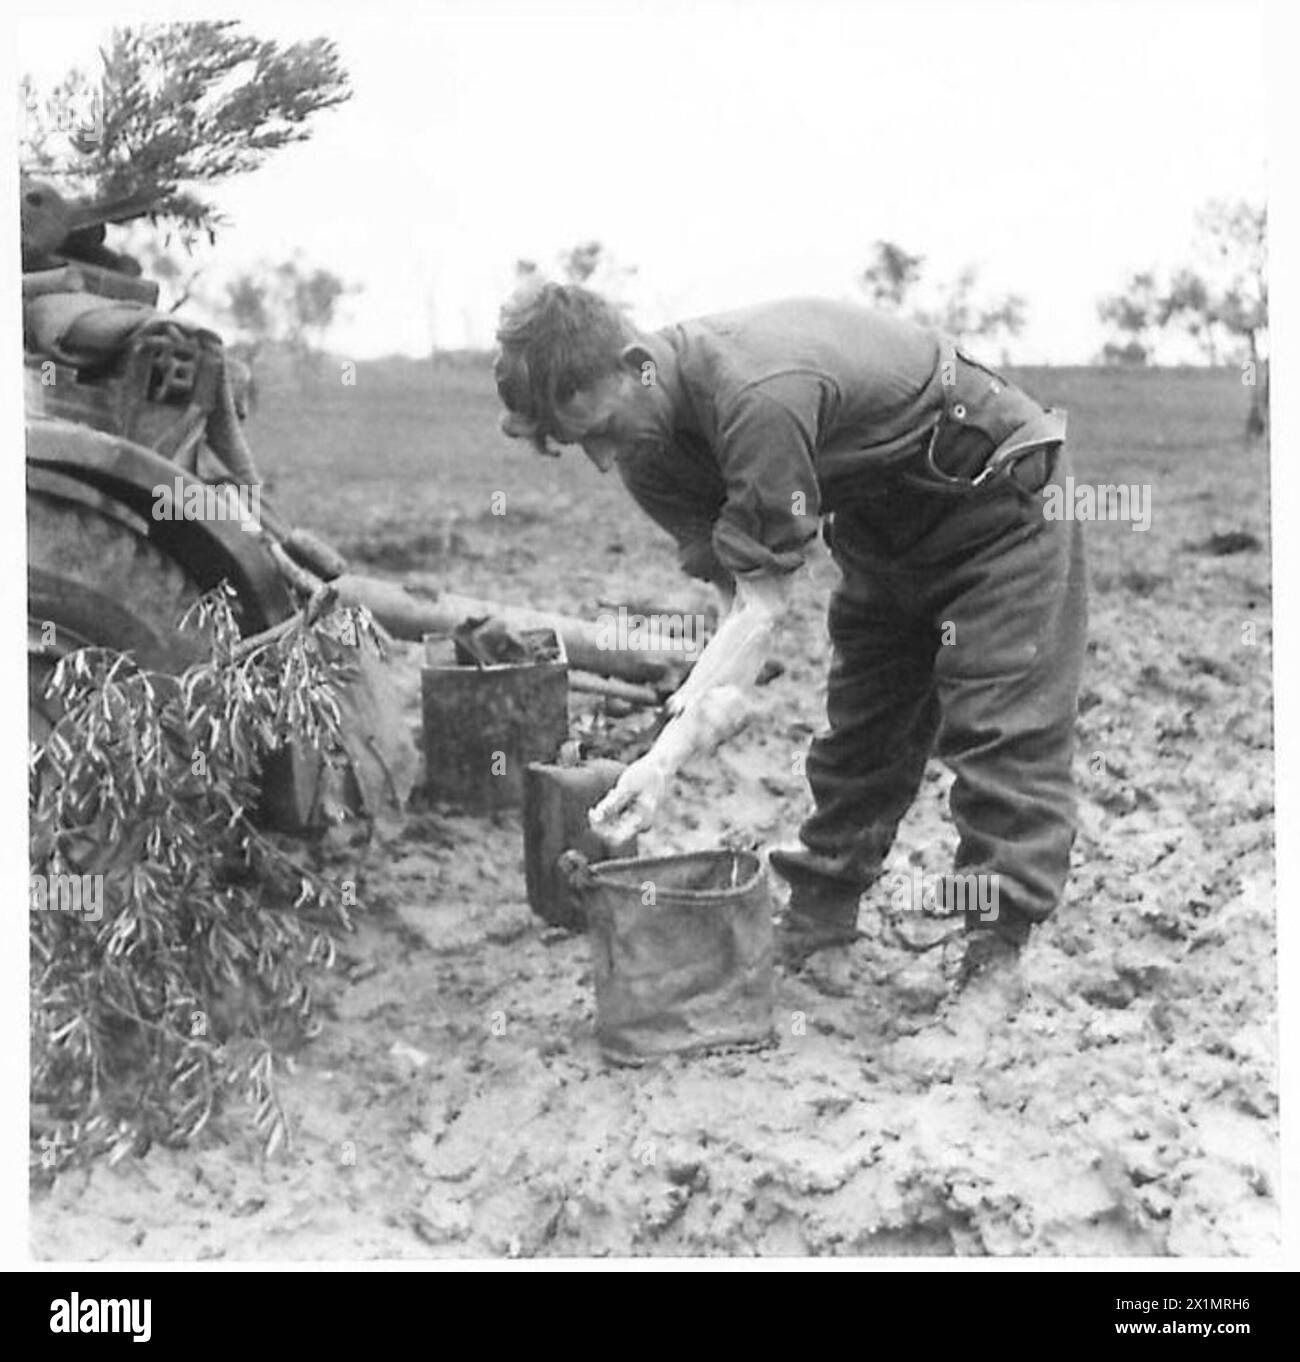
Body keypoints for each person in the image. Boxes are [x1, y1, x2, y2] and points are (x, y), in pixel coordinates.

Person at [493, 284, 1087, 988]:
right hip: (882, 521)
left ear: (634, 364)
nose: (600, 459)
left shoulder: (758, 395)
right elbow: (735, 599)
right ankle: (818, 921)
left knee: (999, 730)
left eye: (602, 431)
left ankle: (995, 956)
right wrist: (715, 704)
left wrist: (662, 759)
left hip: (999, 502)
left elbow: (764, 608)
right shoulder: (648, 451)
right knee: (865, 728)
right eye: (579, 443)